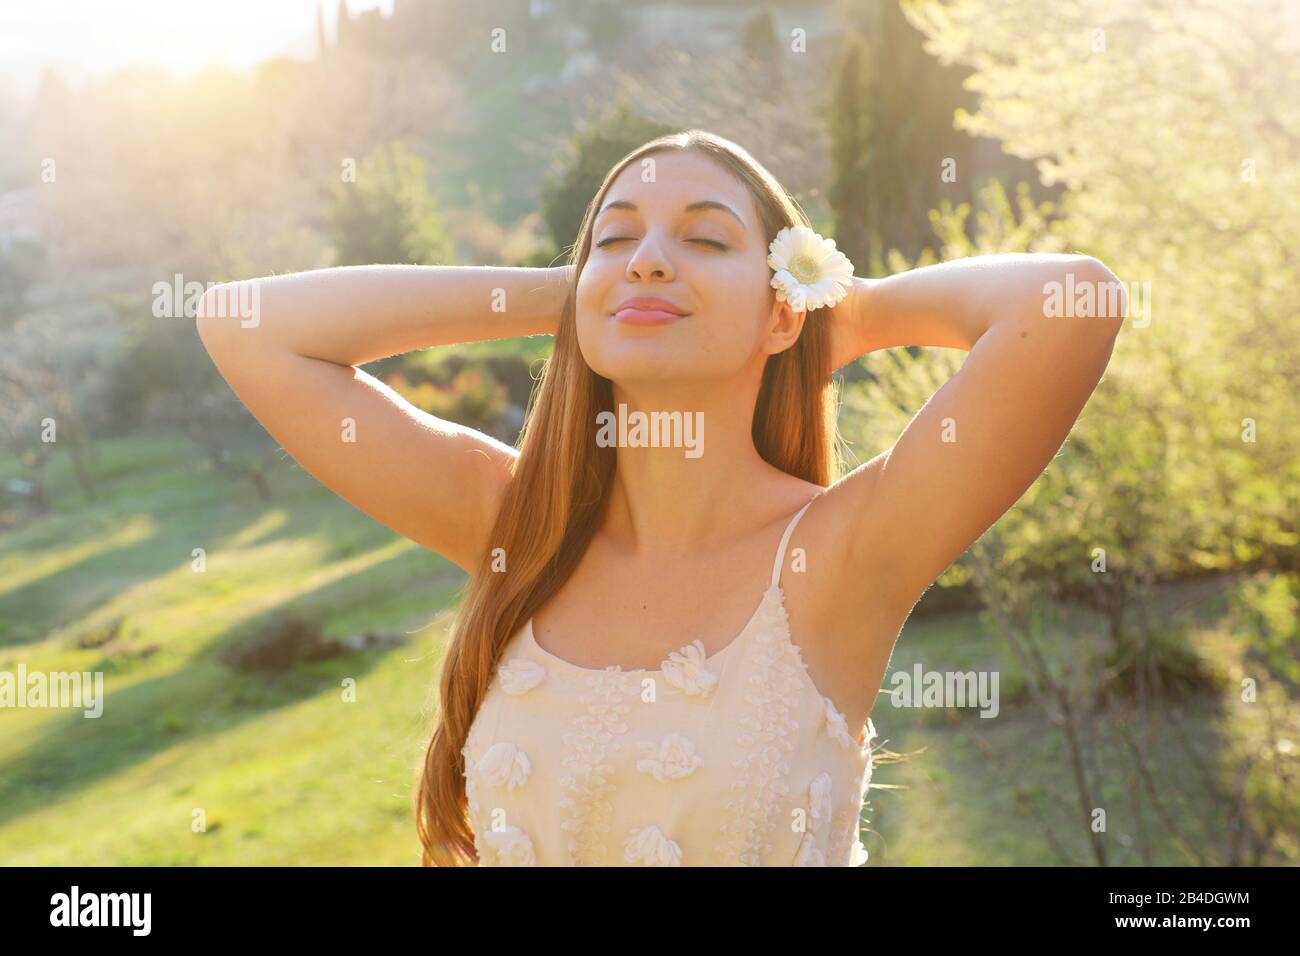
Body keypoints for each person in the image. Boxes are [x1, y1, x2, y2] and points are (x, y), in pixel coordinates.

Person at [196, 129, 1124, 866]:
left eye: (707, 238)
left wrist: (843, 311)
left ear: (778, 307)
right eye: (615, 236)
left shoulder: (837, 558)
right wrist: (577, 296)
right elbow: (244, 323)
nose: (646, 259)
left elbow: (1070, 301)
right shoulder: (513, 524)